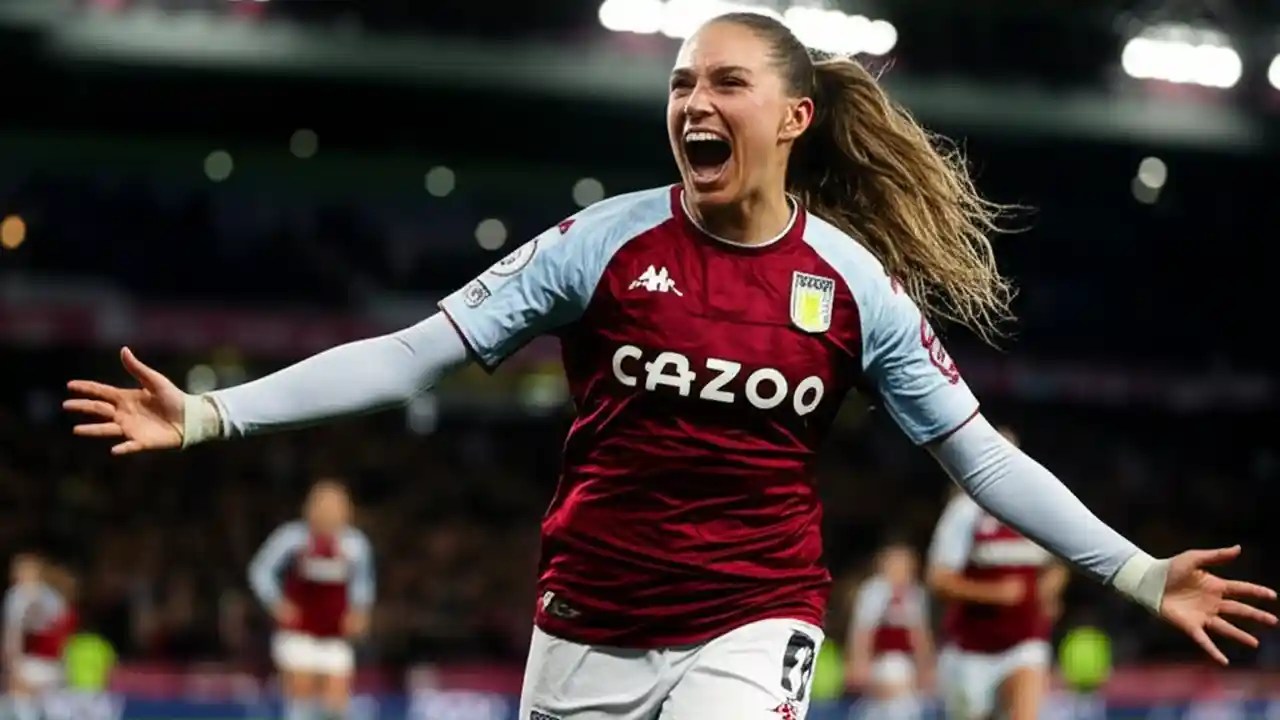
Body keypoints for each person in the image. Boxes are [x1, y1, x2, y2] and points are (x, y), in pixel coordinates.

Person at [64, 10, 1275, 720]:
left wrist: (1130, 572)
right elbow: (410, 355)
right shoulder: (600, 244)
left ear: (791, 119)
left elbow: (976, 458)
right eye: (680, 81)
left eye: (724, 83)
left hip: (750, 619)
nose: (692, 99)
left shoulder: (850, 285)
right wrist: (215, 413)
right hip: (585, 616)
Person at [927, 426, 1069, 720]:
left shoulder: (1036, 507)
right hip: (971, 649)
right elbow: (938, 580)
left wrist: (1049, 590)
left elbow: (1057, 562)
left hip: (1024, 641)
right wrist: (993, 594)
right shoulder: (964, 512)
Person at [248, 480, 374, 720]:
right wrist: (276, 603)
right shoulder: (292, 538)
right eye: (324, 505)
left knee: (337, 705)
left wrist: (359, 612)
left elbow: (363, 584)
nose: (329, 512)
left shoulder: (355, 545)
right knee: (301, 701)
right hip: (299, 633)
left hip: (334, 635)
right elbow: (260, 571)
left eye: (336, 506)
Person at [845, 543, 932, 720]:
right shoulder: (873, 591)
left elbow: (919, 635)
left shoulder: (915, 594)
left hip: (905, 662)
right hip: (880, 660)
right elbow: (863, 632)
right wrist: (859, 663)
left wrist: (926, 668)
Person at [3, 554, 75, 720]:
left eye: (27, 571)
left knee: (48, 706)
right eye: (19, 571)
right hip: (28, 662)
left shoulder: (51, 598)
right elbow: (12, 635)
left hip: (47, 663)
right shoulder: (15, 596)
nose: (22, 575)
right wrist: (13, 667)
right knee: (20, 704)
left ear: (37, 573)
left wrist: (63, 666)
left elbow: (62, 632)